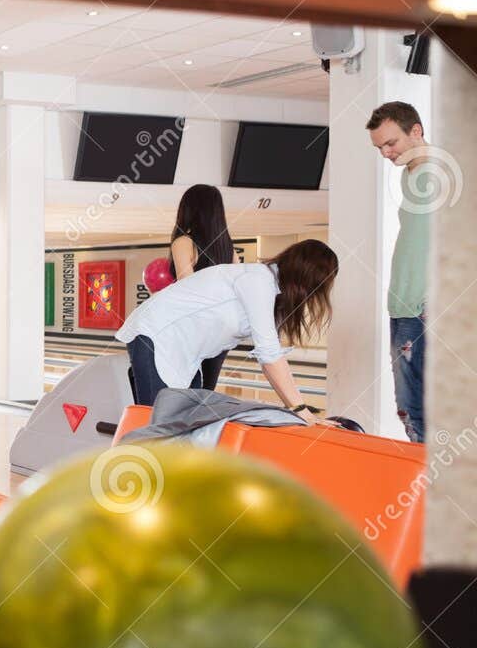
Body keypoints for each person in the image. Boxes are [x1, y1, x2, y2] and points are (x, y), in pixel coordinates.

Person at [117, 239, 337, 418]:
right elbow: (269, 356)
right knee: (159, 424)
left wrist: (301, 409)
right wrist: (301, 411)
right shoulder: (258, 280)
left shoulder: (273, 295)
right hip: (156, 334)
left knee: (184, 426)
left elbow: (274, 354)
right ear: (305, 276)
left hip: (185, 353)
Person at [367, 102, 436, 443]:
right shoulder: (411, 176)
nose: (385, 152)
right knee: (409, 406)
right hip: (404, 304)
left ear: (416, 131)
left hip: (429, 306)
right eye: (379, 147)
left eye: (390, 143)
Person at [168, 183, 236, 391]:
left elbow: (187, 289)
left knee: (183, 393)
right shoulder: (227, 246)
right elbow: (235, 285)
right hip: (221, 328)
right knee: (205, 391)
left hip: (194, 327)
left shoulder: (184, 242)